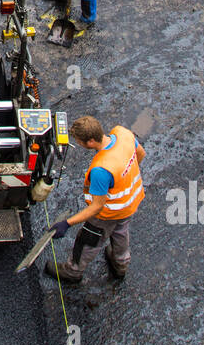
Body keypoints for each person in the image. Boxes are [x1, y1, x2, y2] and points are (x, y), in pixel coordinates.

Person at [44, 115, 144, 283]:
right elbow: (140, 153)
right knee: (120, 232)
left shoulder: (101, 169)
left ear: (90, 142)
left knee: (88, 240)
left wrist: (67, 223)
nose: (79, 145)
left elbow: (97, 207)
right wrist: (124, 176)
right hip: (130, 203)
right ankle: (120, 265)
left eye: (79, 142)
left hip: (107, 213)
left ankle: (73, 271)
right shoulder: (123, 134)